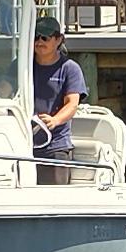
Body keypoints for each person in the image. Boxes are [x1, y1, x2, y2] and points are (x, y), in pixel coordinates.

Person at [30, 17, 87, 181]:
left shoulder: (70, 68)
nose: (39, 41)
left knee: (53, 197)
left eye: (45, 37)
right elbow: (4, 91)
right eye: (35, 37)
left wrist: (55, 120)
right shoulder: (21, 65)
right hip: (23, 143)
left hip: (55, 146)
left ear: (58, 40)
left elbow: (72, 104)